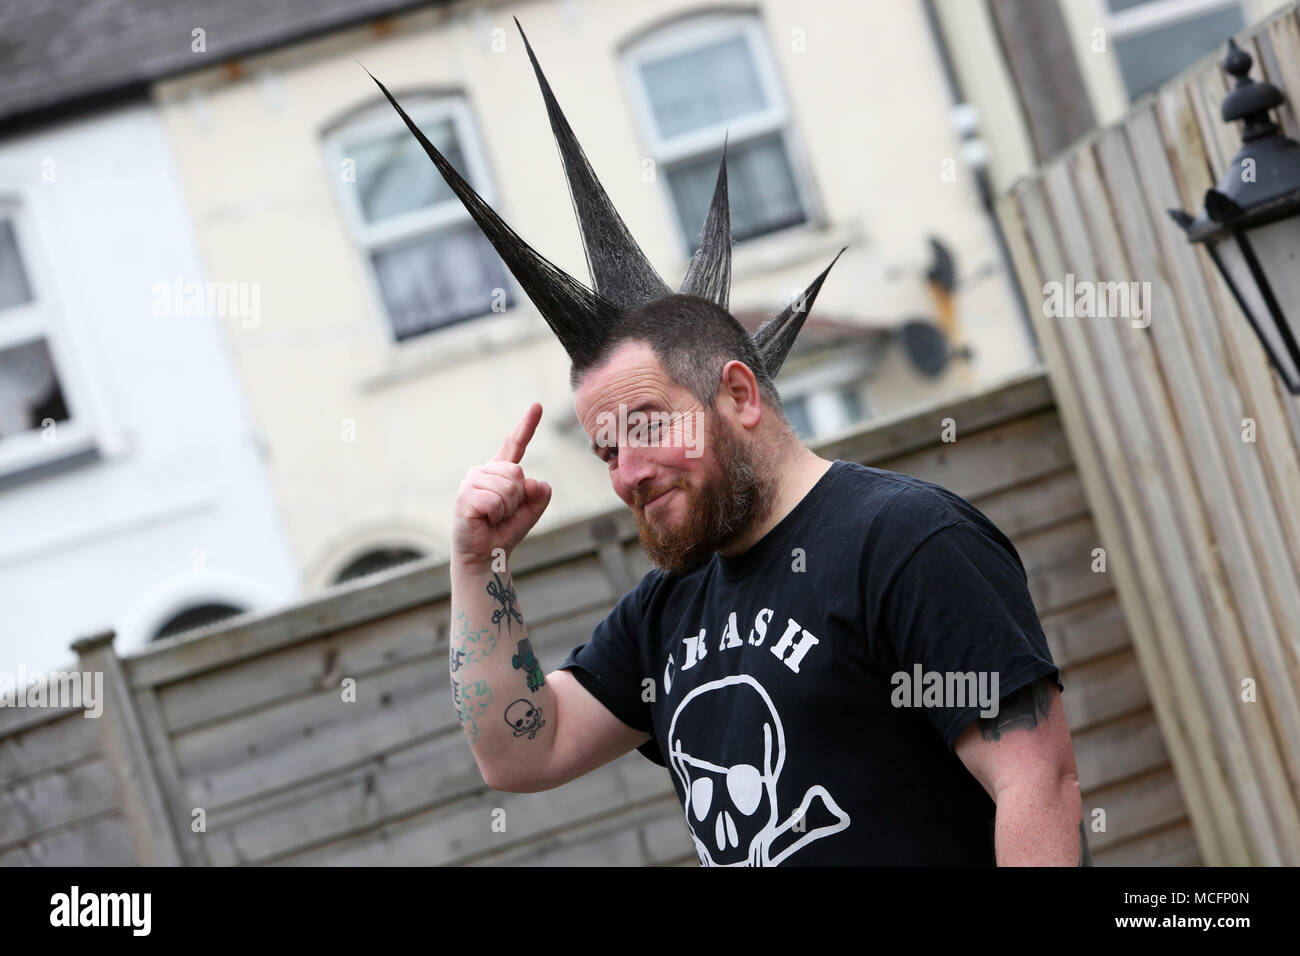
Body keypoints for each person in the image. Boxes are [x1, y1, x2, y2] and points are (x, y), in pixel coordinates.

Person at [373, 19, 1090, 866]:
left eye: (645, 428)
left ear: (739, 395)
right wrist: (475, 564)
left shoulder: (903, 543)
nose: (627, 473)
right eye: (607, 451)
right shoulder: (666, 611)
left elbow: (1037, 785)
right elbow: (518, 751)